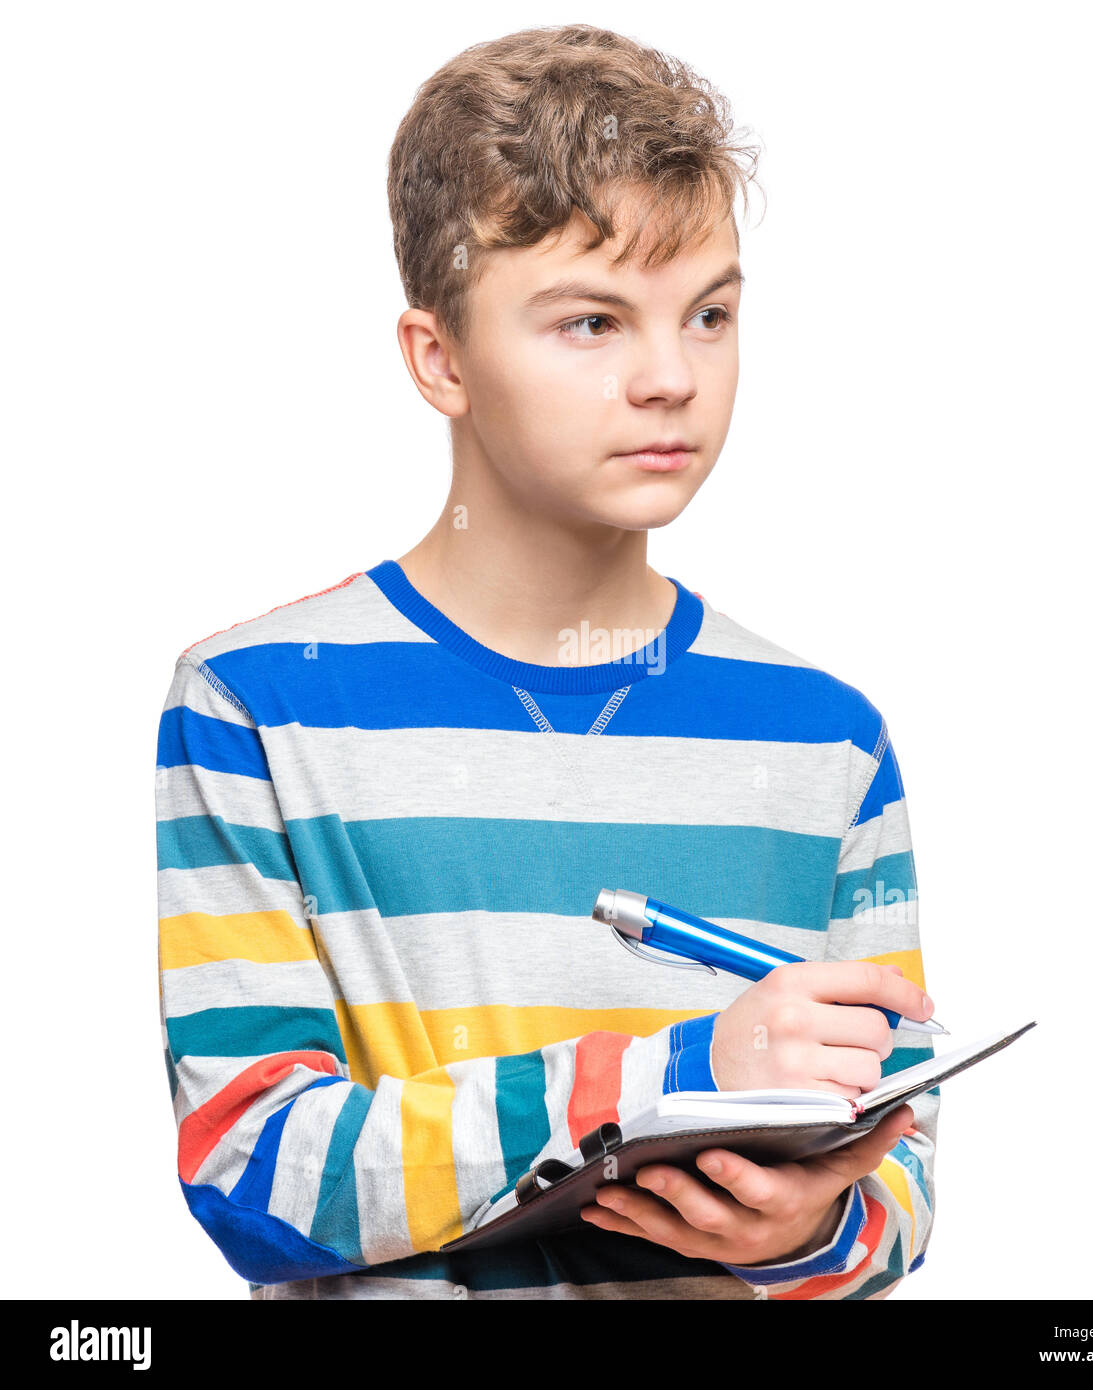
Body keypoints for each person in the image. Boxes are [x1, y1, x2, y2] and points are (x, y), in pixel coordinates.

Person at [155, 22, 937, 1301]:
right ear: (440, 358)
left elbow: (899, 1182)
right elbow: (254, 1169)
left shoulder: (828, 736)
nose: (672, 378)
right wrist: (673, 1078)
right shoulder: (260, 701)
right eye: (592, 322)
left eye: (710, 313)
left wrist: (803, 1231)